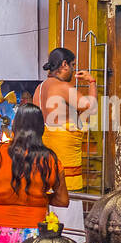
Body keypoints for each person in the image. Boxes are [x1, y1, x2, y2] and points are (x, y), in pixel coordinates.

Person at [0, 102, 68, 243]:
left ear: (14, 125)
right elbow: (62, 200)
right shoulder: (51, 159)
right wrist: (40, 196)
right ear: (41, 128)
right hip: (35, 229)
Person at [33, 47, 96, 191]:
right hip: (64, 160)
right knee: (67, 205)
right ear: (64, 65)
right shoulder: (62, 86)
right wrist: (92, 81)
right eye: (73, 65)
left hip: (44, 160)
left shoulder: (39, 88)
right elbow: (90, 107)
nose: (73, 70)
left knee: (50, 207)